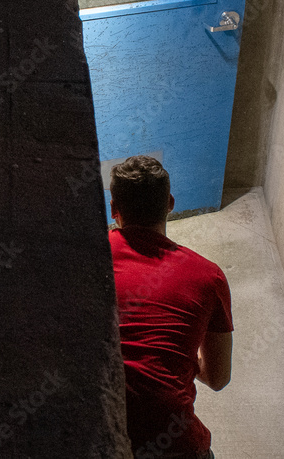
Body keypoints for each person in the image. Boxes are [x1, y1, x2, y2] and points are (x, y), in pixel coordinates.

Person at [108, 155, 233, 459]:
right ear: (170, 203)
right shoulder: (208, 276)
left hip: (101, 431)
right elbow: (217, 379)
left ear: (114, 210)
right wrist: (185, 356)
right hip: (174, 444)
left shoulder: (88, 258)